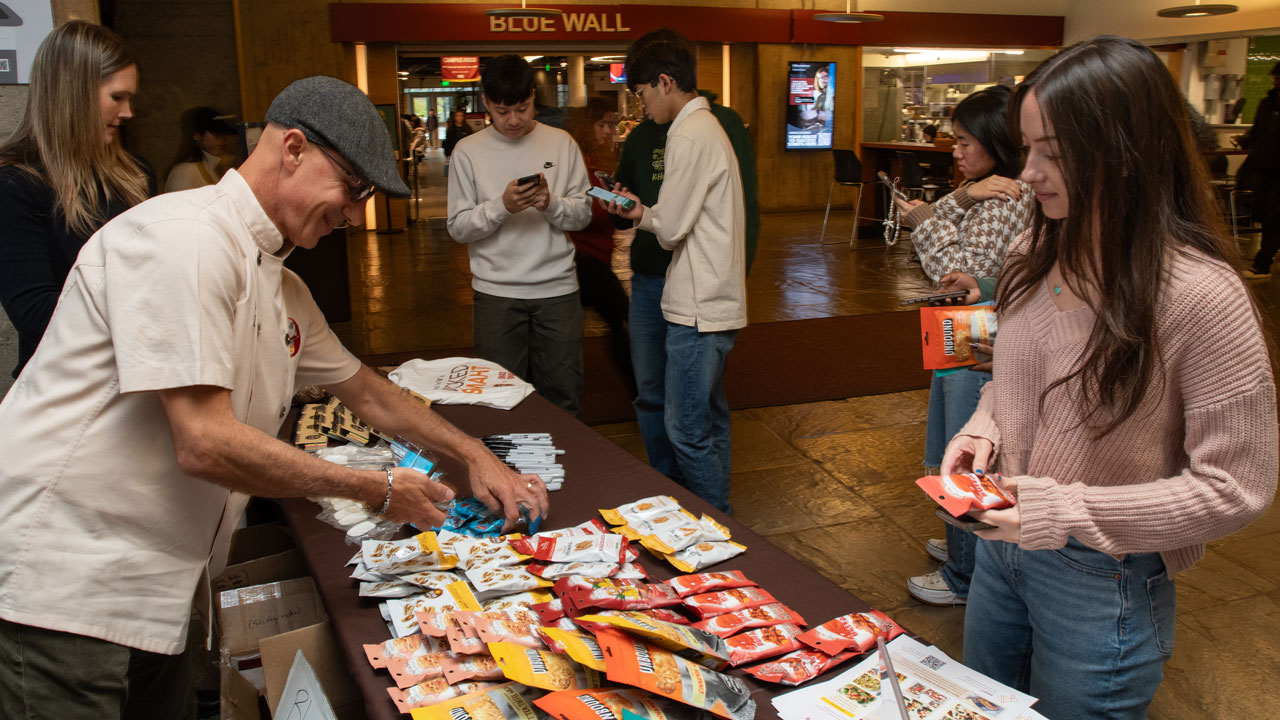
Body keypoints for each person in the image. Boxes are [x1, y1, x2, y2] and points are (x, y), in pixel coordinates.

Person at [0, 75, 548, 719]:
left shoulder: (277, 280)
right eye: (353, 188)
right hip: (66, 589)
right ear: (293, 149)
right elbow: (204, 442)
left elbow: (366, 392)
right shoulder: (187, 239)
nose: (353, 213)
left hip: (155, 590)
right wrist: (375, 488)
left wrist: (473, 454)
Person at [943, 36, 1276, 719]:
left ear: (1126, 153)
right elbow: (1014, 376)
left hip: (1103, 575)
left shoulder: (1200, 295)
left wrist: (1061, 511)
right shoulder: (1031, 251)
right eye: (1027, 146)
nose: (1029, 172)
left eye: (1055, 154)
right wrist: (985, 425)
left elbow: (1237, 486)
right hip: (1001, 554)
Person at [893, 85, 1035, 607]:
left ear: (998, 144)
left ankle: (964, 573)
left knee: (963, 456)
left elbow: (954, 278)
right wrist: (958, 199)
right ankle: (960, 549)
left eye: (965, 143)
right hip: (961, 342)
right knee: (950, 445)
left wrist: (925, 221)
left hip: (976, 346)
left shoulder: (1003, 201)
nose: (955, 151)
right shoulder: (985, 191)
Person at [603, 29, 746, 513]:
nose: (641, 106)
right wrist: (647, 210)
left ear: (664, 82)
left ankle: (714, 525)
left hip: (698, 305)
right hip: (707, 298)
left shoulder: (687, 132)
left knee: (686, 428)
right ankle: (713, 516)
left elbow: (671, 228)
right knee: (701, 420)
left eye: (641, 94)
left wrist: (640, 212)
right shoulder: (705, 127)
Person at [0, 20, 154, 380]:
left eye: (130, 98)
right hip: (63, 388)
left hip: (138, 378)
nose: (128, 112)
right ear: (75, 95)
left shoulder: (136, 174)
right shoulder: (15, 184)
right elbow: (37, 315)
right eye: (117, 97)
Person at [447, 55, 592, 415]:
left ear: (532, 97)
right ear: (485, 104)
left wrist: (550, 203)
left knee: (563, 396)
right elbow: (458, 227)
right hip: (496, 294)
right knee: (498, 400)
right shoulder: (468, 151)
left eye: (522, 108)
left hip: (557, 290)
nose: (513, 120)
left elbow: (583, 214)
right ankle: (506, 472)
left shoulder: (561, 143)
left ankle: (564, 467)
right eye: (501, 111)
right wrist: (502, 207)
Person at [565, 97, 635, 393]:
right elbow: (587, 211)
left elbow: (600, 197)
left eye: (611, 124)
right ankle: (641, 390)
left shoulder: (594, 164)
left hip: (595, 258)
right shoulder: (578, 162)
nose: (609, 131)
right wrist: (619, 201)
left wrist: (624, 200)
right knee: (624, 320)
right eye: (602, 124)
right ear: (586, 127)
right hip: (583, 260)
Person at [1239, 62, 1280, 279]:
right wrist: (1245, 141)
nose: (1276, 81)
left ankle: (1262, 263)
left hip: (1275, 170)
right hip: (1264, 169)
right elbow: (1258, 131)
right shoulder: (1266, 104)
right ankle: (1265, 259)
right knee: (1264, 213)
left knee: (1274, 216)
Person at [165, 106, 237, 192]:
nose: (221, 138)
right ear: (197, 135)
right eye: (215, 133)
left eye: (223, 133)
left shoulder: (217, 166)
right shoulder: (184, 172)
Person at [443, 108, 471, 177]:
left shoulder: (467, 129)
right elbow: (447, 142)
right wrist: (447, 154)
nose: (459, 117)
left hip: (464, 154)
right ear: (455, 117)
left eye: (461, 116)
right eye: (458, 116)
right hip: (453, 154)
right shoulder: (451, 129)